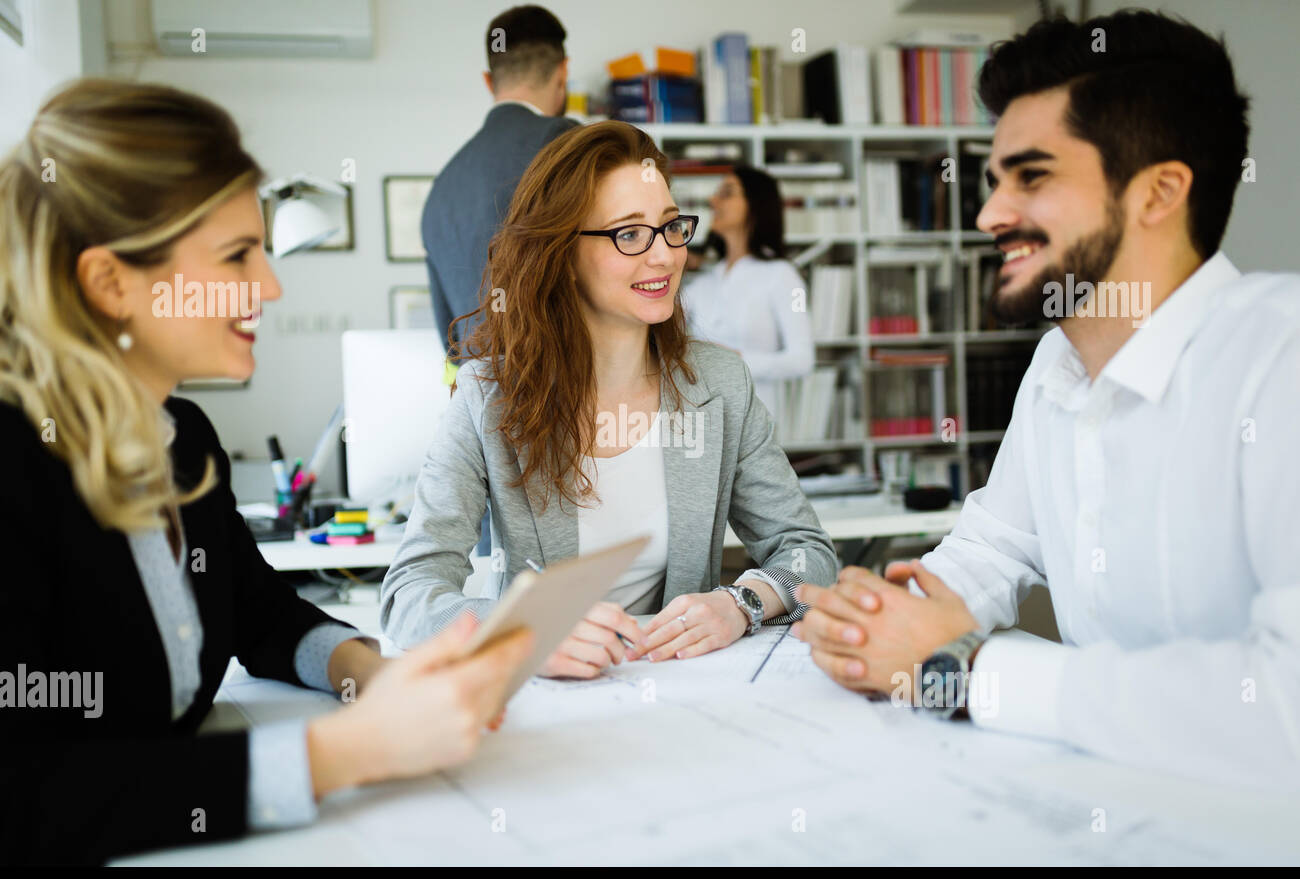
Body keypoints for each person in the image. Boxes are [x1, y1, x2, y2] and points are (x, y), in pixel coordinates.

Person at [0, 78, 535, 865]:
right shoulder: (16, 463)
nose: (272, 286)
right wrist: (345, 753)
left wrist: (370, 674)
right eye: (237, 256)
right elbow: (27, 792)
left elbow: (262, 615)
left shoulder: (185, 438)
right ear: (111, 282)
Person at [794, 11, 1300, 790]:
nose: (989, 214)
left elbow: (1283, 698)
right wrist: (884, 618)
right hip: (1111, 793)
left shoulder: (1280, 356)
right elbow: (996, 546)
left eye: (1032, 177)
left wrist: (962, 668)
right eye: (995, 180)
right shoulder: (1058, 362)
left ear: (1160, 191)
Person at [380, 121, 838, 677]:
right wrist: (526, 631)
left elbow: (808, 552)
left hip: (686, 694)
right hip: (551, 709)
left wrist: (741, 604)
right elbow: (409, 593)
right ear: (563, 253)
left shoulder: (720, 383)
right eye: (629, 234)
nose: (665, 256)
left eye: (671, 227)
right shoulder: (488, 396)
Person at [421, 4, 578, 352]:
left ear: (489, 81)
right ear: (563, 71)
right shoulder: (564, 142)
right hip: (565, 391)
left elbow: (448, 338)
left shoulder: (442, 186)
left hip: (479, 395)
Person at [680, 165, 813, 414]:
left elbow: (802, 360)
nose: (713, 200)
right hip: (703, 422)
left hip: (755, 424)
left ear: (755, 204)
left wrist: (733, 360)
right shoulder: (705, 282)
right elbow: (662, 329)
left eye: (727, 193)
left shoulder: (784, 276)